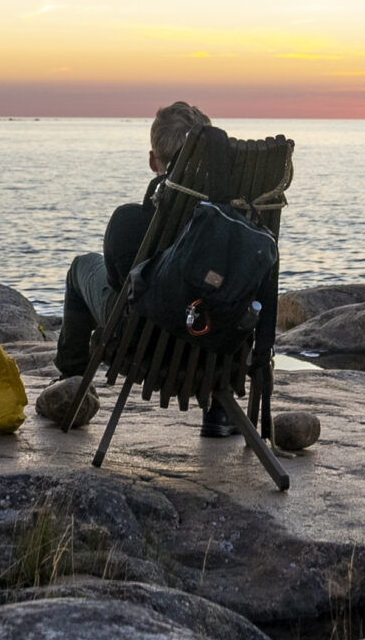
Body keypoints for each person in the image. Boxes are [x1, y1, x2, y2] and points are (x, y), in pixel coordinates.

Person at [55, 100, 273, 438]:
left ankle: (70, 382)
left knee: (81, 267)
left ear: (153, 160)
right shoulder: (243, 236)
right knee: (224, 295)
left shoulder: (129, 222)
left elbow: (119, 285)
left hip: (140, 342)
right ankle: (218, 410)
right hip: (215, 352)